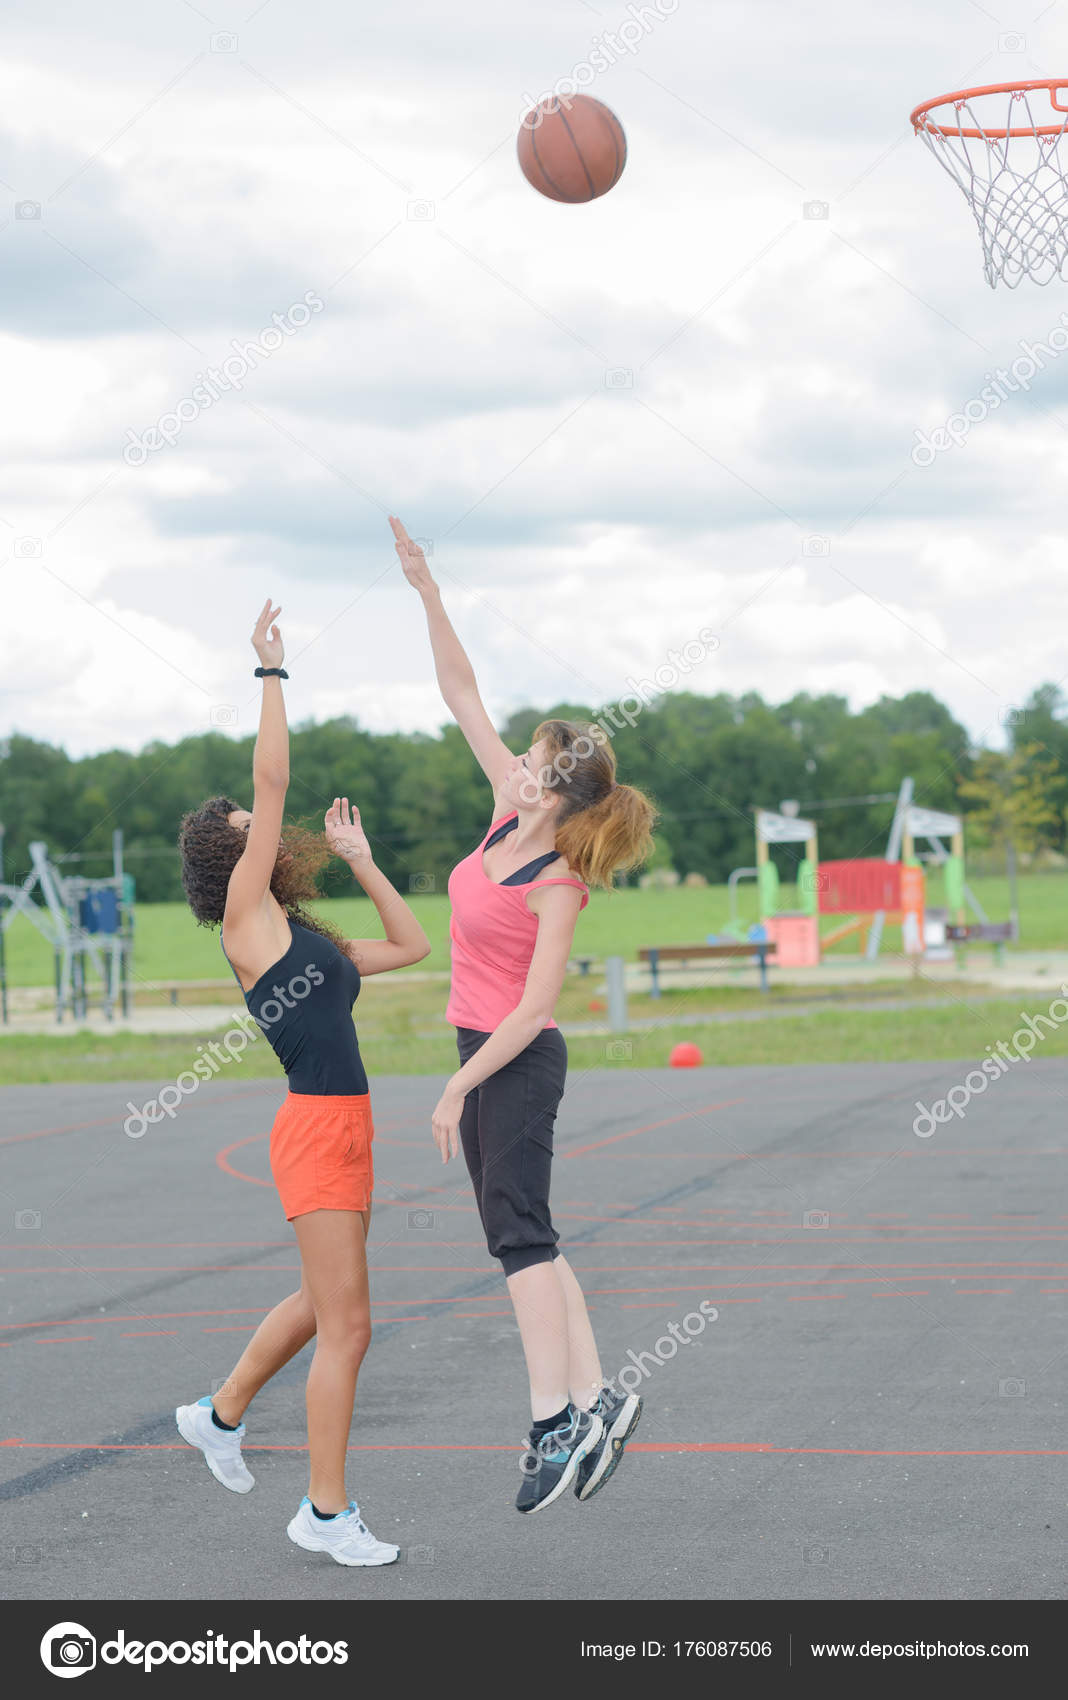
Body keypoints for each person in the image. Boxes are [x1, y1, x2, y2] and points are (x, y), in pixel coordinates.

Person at [391, 516, 658, 1513]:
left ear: (553, 791)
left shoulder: (557, 884)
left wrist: (460, 1083)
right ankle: (597, 1396)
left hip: (516, 1060)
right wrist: (429, 592)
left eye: (535, 758)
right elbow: (461, 691)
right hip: (483, 1052)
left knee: (518, 1238)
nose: (517, 759)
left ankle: (556, 1420)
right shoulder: (506, 812)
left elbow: (537, 1008)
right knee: (532, 1231)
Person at [174, 599, 430, 1566]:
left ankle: (220, 1412)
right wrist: (272, 675)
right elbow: (271, 777)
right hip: (316, 1131)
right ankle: (324, 1515)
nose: (266, 832)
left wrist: (364, 861)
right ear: (229, 859)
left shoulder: (307, 942)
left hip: (350, 1126)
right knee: (352, 1329)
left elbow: (412, 944)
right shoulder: (246, 924)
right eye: (248, 830)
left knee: (328, 1309)